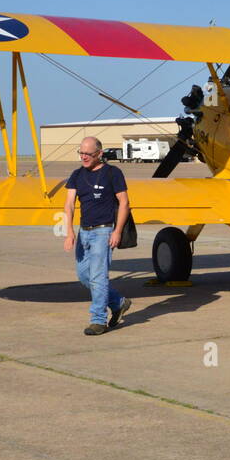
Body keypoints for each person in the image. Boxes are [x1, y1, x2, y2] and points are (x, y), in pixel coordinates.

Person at [63, 137, 132, 335]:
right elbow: (69, 204)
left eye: (88, 154)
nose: (84, 157)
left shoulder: (113, 173)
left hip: (104, 231)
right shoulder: (76, 175)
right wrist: (69, 232)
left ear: (99, 154)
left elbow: (124, 203)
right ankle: (119, 302)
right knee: (84, 275)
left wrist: (117, 231)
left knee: (98, 277)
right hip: (84, 232)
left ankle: (98, 320)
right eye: (81, 153)